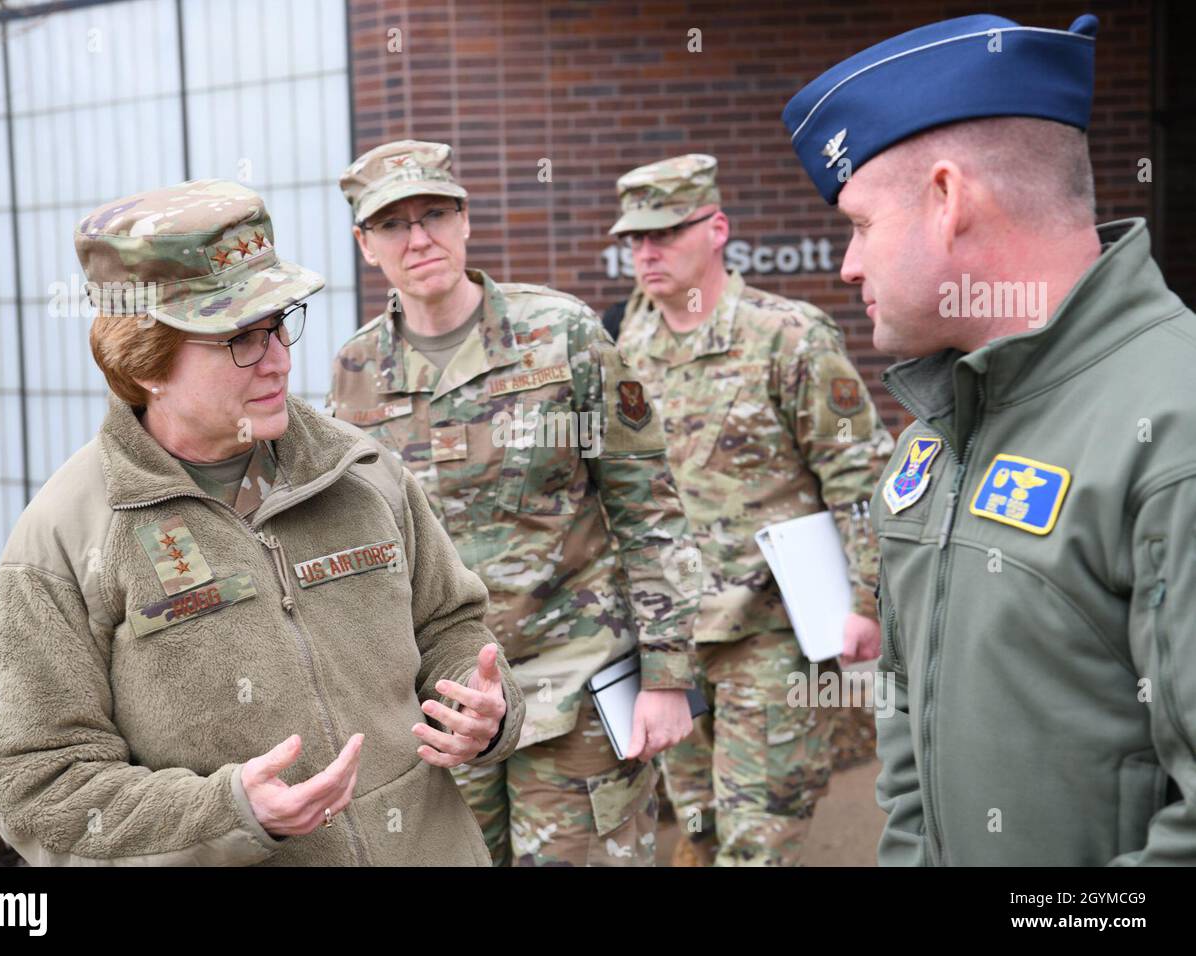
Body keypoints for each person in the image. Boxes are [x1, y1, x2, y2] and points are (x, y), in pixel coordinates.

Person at [0, 179, 523, 866]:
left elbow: (449, 627)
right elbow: (37, 783)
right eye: (239, 338)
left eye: (280, 323)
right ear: (144, 363)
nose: (279, 359)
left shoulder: (360, 472)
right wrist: (227, 814)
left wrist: (479, 708)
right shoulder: (66, 537)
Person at [784, 12, 1196, 865]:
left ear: (948, 199)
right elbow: (905, 750)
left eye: (859, 223)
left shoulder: (1173, 424)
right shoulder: (937, 430)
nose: (847, 266)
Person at [329, 140, 701, 866]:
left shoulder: (562, 334)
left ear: (465, 220)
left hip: (578, 687)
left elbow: (647, 507)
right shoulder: (355, 371)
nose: (419, 238)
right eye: (393, 224)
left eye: (434, 213)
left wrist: (668, 673)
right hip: (445, 705)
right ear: (365, 245)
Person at [609, 153, 893, 865]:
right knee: (694, 833)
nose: (648, 251)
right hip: (668, 644)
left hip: (768, 636)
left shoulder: (787, 335)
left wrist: (868, 598)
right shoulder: (623, 347)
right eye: (635, 238)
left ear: (718, 230)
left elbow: (857, 473)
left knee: (759, 840)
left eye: (668, 231)